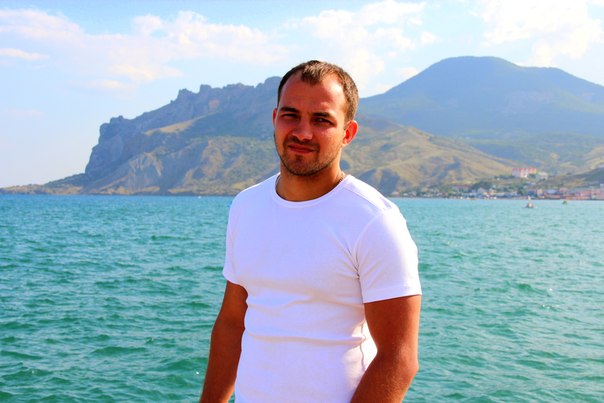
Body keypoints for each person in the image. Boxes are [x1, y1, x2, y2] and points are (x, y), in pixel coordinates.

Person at [200, 60, 422, 403]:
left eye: (321, 120)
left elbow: (399, 358)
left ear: (347, 133)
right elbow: (233, 322)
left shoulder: (374, 221)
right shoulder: (246, 206)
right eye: (291, 115)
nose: (303, 132)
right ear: (275, 119)